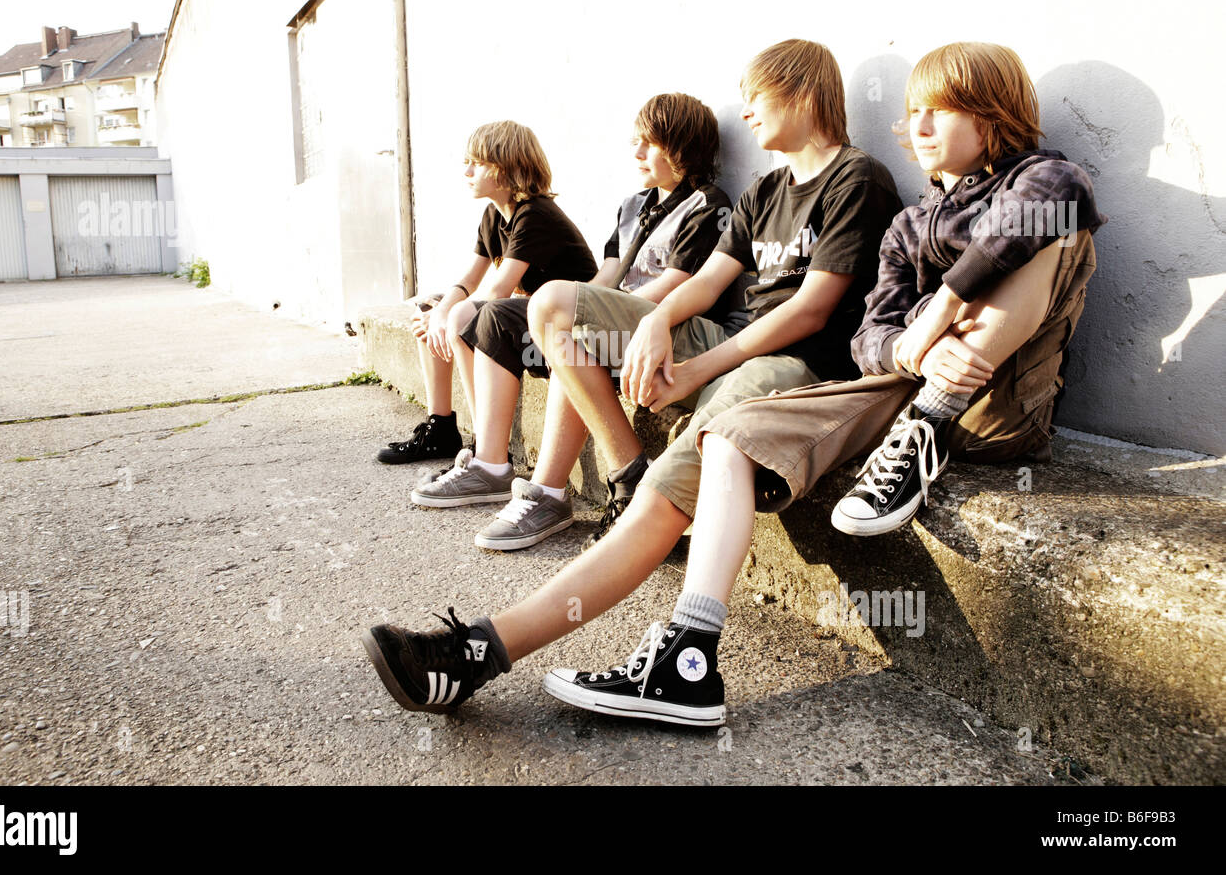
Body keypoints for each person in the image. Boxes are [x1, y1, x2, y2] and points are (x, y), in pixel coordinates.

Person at [539, 40, 1105, 726]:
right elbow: (869, 338)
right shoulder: (909, 224)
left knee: (1055, 231)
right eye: (911, 112)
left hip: (995, 399)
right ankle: (689, 656)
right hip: (901, 388)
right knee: (728, 433)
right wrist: (915, 347)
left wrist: (947, 307)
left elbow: (1063, 197)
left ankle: (934, 417)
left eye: (940, 111)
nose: (917, 128)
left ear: (993, 114)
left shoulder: (1034, 179)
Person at [360, 38, 904, 716]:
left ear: (800, 92)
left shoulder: (858, 178)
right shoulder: (765, 190)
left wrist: (698, 368)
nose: (748, 113)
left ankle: (482, 653)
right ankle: (627, 468)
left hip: (792, 368)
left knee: (671, 489)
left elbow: (812, 309)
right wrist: (654, 322)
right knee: (556, 303)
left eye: (755, 95)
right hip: (729, 341)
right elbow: (707, 283)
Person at [414, 93, 739, 552]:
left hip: (664, 328)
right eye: (636, 142)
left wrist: (596, 312)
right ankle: (490, 463)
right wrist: (592, 304)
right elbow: (605, 277)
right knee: (494, 317)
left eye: (649, 143)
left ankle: (547, 491)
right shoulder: (633, 204)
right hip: (615, 312)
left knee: (574, 332)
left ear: (681, 146)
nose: (637, 153)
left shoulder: (709, 204)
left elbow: (676, 287)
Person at [376, 120, 596, 476]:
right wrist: (439, 312)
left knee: (463, 317)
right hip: (523, 325)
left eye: (476, 163)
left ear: (505, 168)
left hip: (564, 334)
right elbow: (471, 278)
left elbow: (497, 292)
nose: (467, 171)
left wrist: (450, 317)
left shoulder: (535, 214)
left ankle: (486, 447)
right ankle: (442, 426)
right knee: (433, 306)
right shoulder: (494, 214)